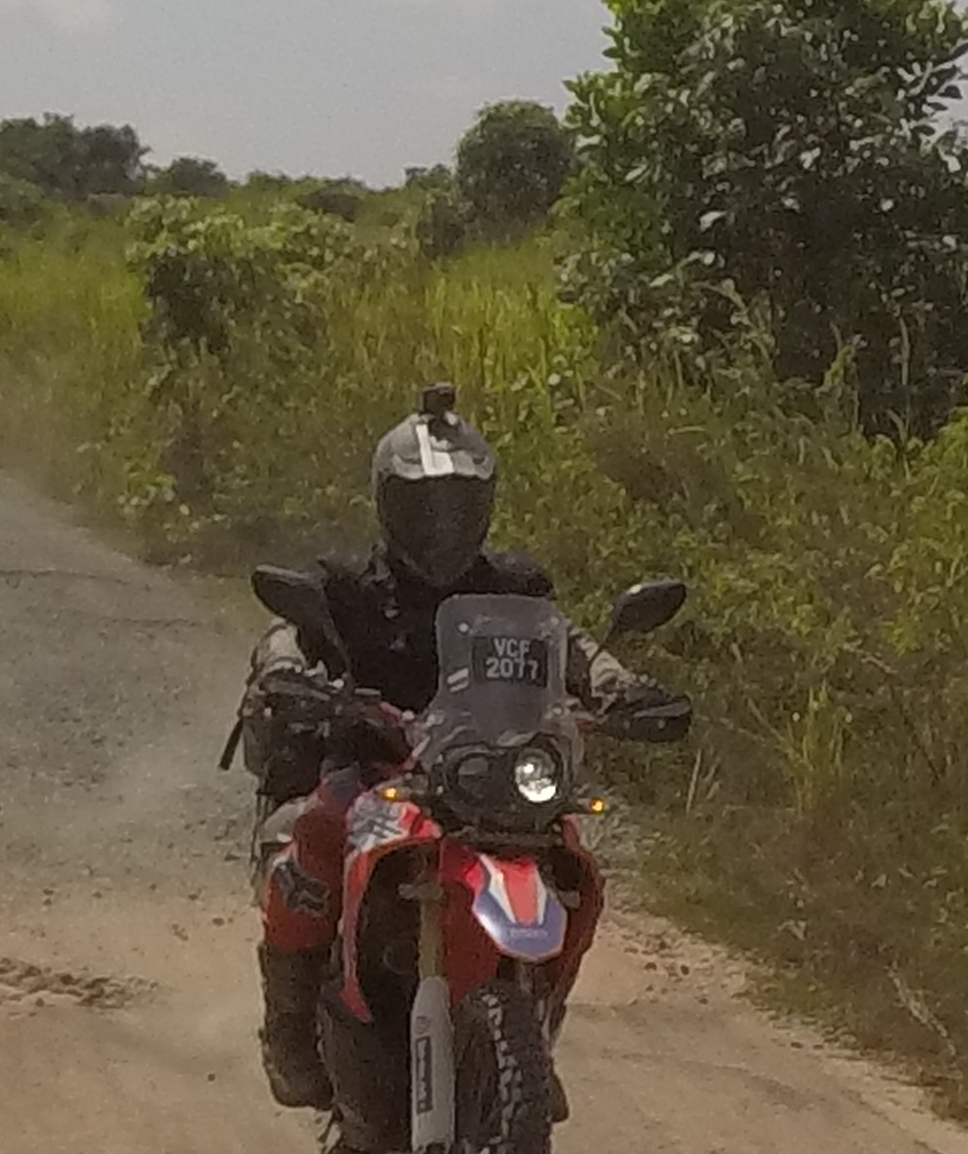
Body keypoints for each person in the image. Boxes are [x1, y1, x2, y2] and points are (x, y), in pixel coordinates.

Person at [242, 384, 686, 1113]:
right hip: (376, 768)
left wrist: (616, 683)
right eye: (425, 507)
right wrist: (285, 666)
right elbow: (286, 632)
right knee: (315, 838)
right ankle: (287, 1030)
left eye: (460, 506)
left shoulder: (513, 587)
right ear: (390, 504)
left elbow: (569, 645)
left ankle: (533, 1028)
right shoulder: (348, 587)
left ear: (486, 505)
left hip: (485, 775)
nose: (443, 525)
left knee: (575, 863)